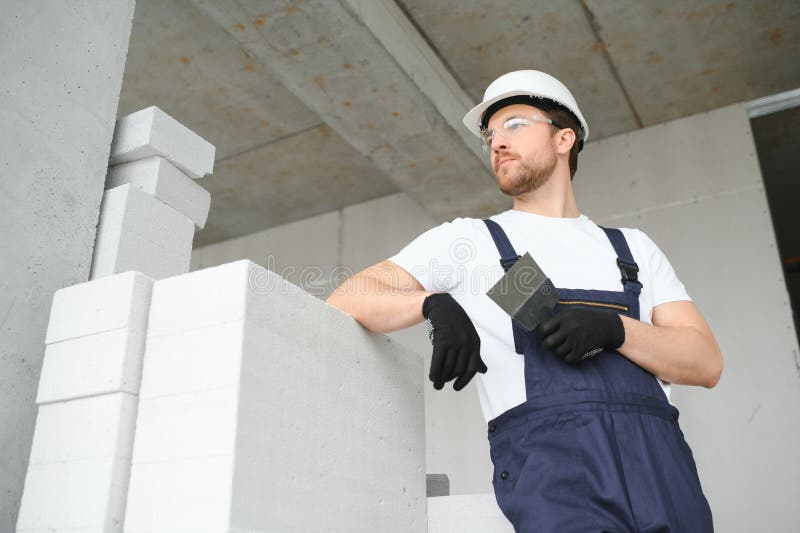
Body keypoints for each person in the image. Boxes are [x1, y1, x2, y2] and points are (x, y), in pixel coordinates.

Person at [326, 70, 722, 532]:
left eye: (514, 124)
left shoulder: (631, 250)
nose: (497, 142)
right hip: (556, 479)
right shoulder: (476, 243)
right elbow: (346, 296)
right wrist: (431, 304)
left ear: (564, 138)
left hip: (662, 473)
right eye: (490, 135)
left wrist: (616, 330)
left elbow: (706, 362)